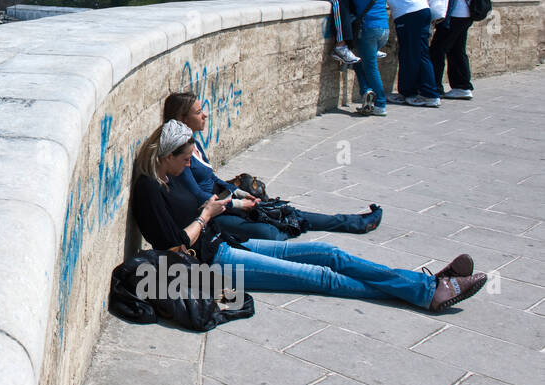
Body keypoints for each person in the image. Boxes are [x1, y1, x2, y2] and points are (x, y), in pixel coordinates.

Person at [130, 120, 486, 311]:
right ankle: (426, 291)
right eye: (185, 158)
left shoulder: (169, 175)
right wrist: (206, 215)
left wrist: (224, 204)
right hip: (215, 263)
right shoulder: (149, 188)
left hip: (227, 243)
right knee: (320, 277)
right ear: (165, 155)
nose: (190, 163)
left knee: (330, 254)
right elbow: (173, 247)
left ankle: (424, 286)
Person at [162, 92, 383, 238]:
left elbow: (211, 177)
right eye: (198, 112)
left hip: (224, 203)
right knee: (271, 232)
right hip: (213, 216)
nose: (205, 115)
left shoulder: (193, 143)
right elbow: (200, 198)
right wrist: (239, 205)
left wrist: (239, 193)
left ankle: (354, 222)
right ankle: (343, 223)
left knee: (285, 212)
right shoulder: (179, 155)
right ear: (182, 118)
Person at [363, 0, 442, 108]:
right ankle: (417, 92)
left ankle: (424, 94)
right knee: (417, 53)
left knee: (413, 54)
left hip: (409, 14)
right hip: (420, 10)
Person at [424, 0, 483, 100]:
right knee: (457, 51)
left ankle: (434, 87)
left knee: (437, 50)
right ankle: (462, 85)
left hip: (456, 16)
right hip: (467, 16)